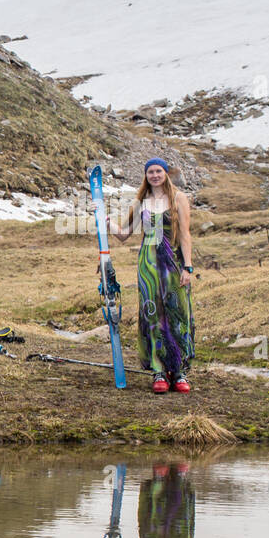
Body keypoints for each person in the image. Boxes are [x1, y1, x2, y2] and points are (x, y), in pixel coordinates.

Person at [114, 158, 195, 393]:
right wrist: (106, 222)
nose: (155, 175)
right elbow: (124, 234)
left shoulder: (178, 198)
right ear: (146, 175)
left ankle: (178, 372)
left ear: (166, 173)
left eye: (159, 171)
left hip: (173, 263)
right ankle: (159, 370)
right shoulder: (141, 202)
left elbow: (185, 235)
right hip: (147, 266)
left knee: (177, 312)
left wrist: (188, 267)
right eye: (151, 172)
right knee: (152, 314)